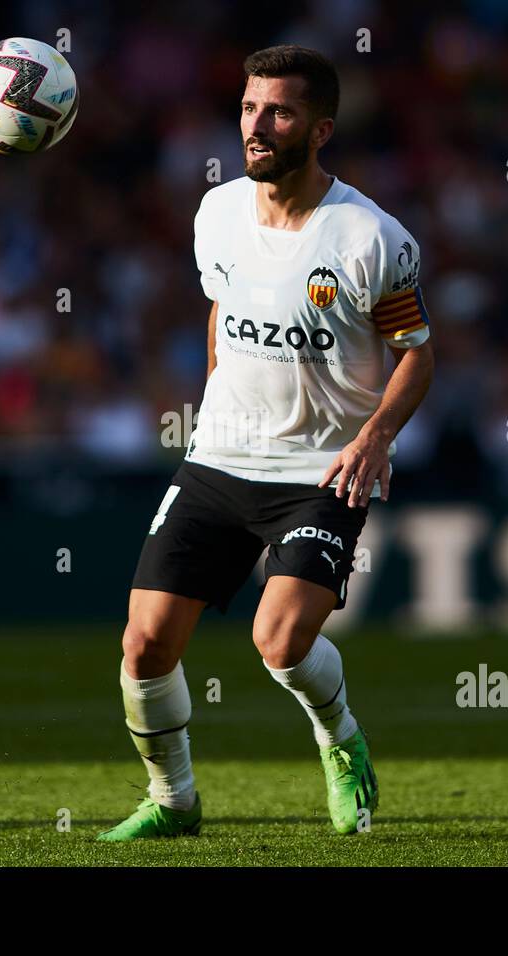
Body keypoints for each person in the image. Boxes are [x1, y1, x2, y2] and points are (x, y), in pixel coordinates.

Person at [97, 45, 435, 840]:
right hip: (219, 457)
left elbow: (418, 353)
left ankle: (340, 739)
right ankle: (174, 802)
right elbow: (221, 306)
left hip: (321, 470)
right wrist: (218, 396)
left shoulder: (367, 236)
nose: (257, 124)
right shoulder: (217, 212)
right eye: (249, 107)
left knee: (280, 641)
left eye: (278, 111)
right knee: (144, 646)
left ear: (320, 130)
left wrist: (376, 437)